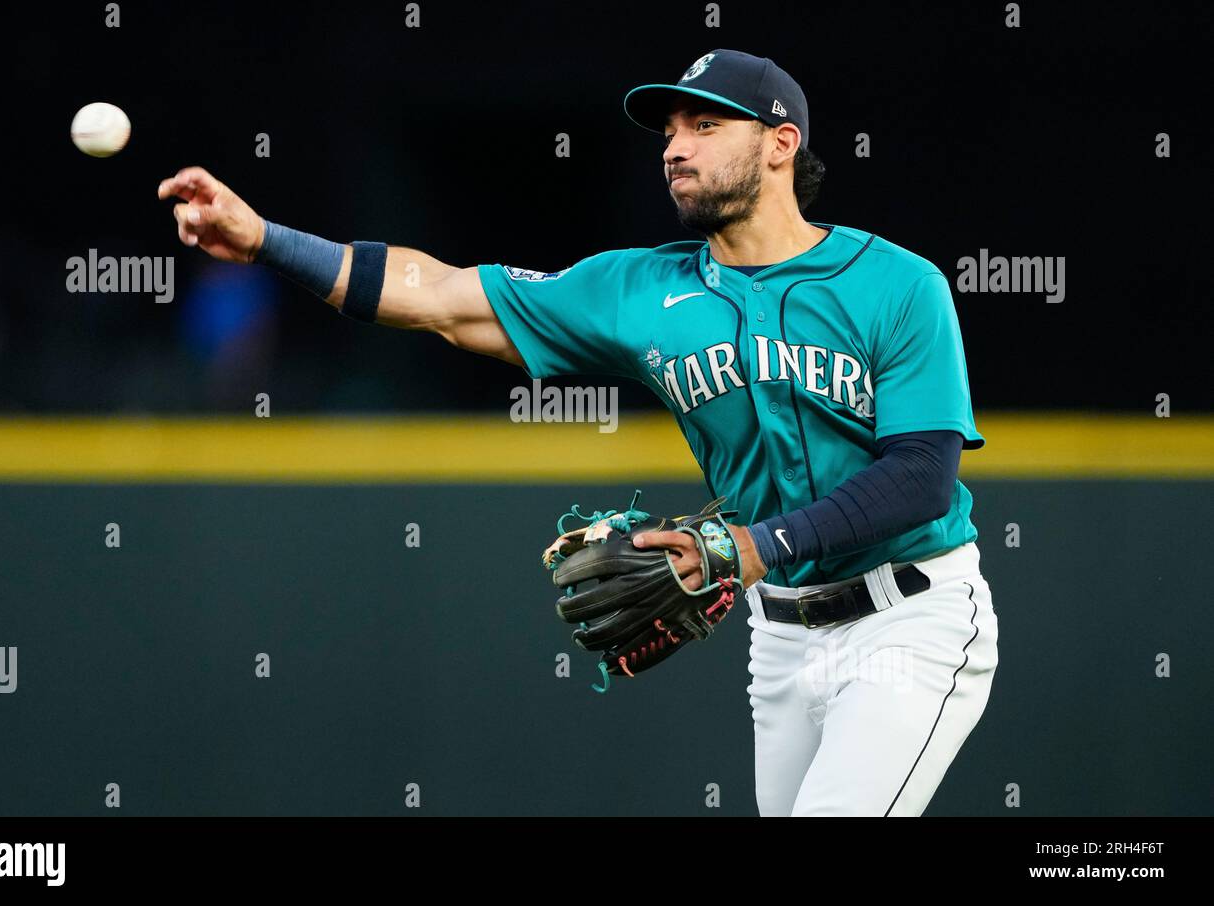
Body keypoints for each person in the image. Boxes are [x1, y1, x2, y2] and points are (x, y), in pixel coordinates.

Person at [158, 48, 998, 817]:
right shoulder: (639, 289)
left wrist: (753, 544)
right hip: (779, 636)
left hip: (910, 618)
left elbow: (922, 474)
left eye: (704, 124)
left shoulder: (896, 284)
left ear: (781, 145)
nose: (675, 147)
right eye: (669, 130)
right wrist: (265, 239)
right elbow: (442, 299)